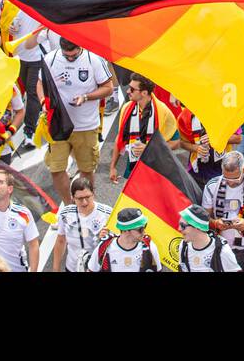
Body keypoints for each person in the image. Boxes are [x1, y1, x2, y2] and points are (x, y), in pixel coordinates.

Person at [39, 38, 114, 204]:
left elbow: (108, 87)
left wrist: (86, 97)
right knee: (56, 169)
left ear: (80, 47)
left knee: (86, 170)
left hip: (86, 125)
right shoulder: (50, 58)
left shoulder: (93, 59)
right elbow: (40, 83)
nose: (70, 58)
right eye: (67, 56)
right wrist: (44, 101)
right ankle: (68, 205)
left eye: (73, 56)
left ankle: (86, 203)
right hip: (58, 126)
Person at [201, 151, 244, 272]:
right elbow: (203, 219)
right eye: (226, 178)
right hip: (221, 249)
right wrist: (215, 223)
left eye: (235, 178)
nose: (230, 182)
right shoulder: (212, 186)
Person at [110, 74, 179, 183]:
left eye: (132, 89)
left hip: (156, 170)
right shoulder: (127, 108)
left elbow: (175, 142)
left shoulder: (163, 111)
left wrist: (149, 148)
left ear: (144, 93)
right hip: (133, 167)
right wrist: (113, 167)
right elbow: (120, 138)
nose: (128, 91)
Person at [52, 175, 113, 272]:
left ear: (93, 194)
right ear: (72, 198)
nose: (84, 202)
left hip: (98, 268)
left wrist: (107, 238)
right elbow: (61, 241)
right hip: (72, 268)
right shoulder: (66, 214)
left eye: (87, 197)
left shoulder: (107, 213)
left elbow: (119, 243)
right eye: (80, 198)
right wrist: (56, 268)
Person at [84, 207, 161, 272]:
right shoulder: (104, 247)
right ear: (126, 231)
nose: (144, 232)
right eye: (140, 229)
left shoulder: (150, 247)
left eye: (145, 227)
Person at [176, 204, 240, 272]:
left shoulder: (222, 251)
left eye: (183, 226)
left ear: (197, 227)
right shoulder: (183, 246)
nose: (179, 229)